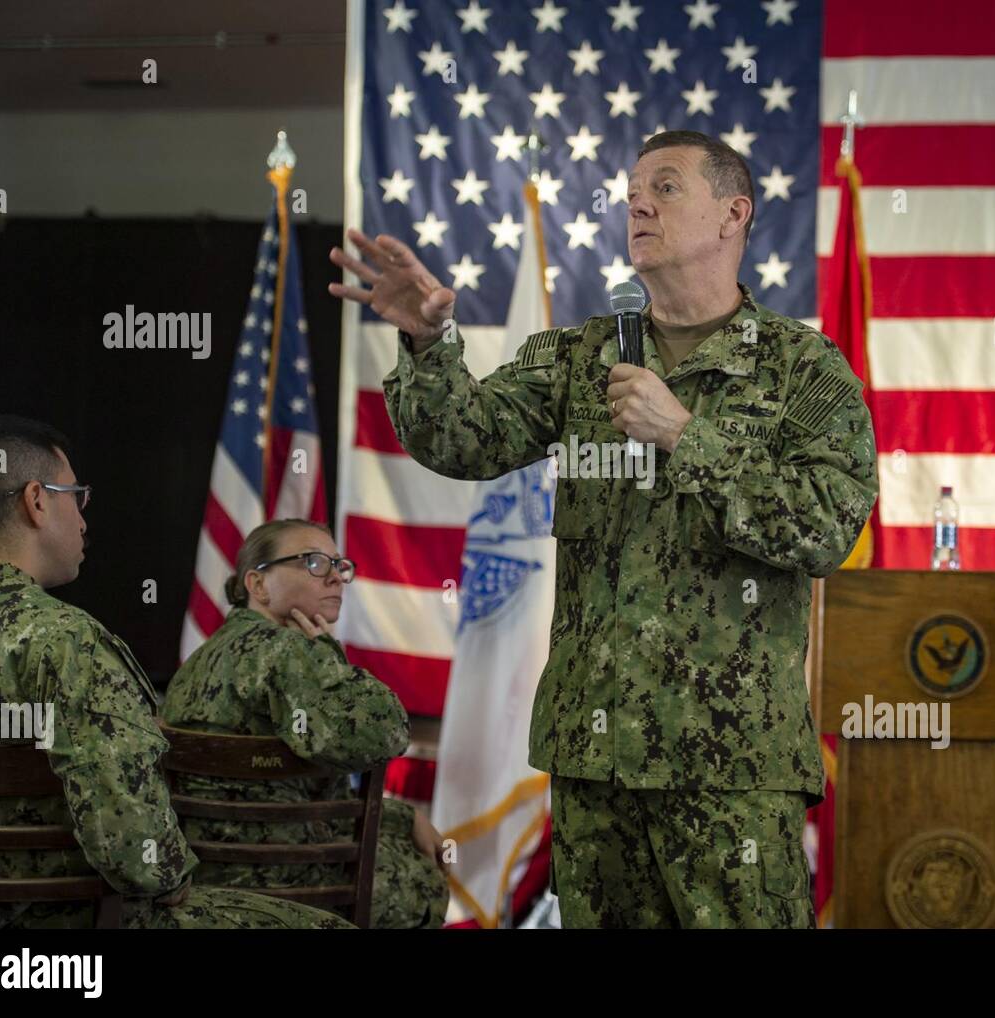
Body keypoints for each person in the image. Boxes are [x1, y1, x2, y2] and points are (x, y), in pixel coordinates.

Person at [329, 129, 878, 928]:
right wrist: (427, 341)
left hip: (729, 770)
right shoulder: (580, 358)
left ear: (734, 213)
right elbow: (460, 440)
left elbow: (828, 526)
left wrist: (687, 437)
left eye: (665, 186)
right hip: (597, 759)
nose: (638, 205)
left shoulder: (804, 370)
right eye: (631, 194)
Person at [0, 415, 352, 929]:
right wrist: (174, 878)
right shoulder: (65, 641)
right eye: (77, 497)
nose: (83, 521)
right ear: (37, 500)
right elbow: (135, 852)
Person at [162, 519, 450, 929]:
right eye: (313, 563)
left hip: (204, 878)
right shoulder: (291, 654)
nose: (336, 576)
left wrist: (402, 816)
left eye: (339, 564)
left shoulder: (199, 661)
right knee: (422, 879)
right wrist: (327, 651)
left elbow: (286, 791)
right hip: (292, 880)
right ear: (258, 585)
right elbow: (386, 733)